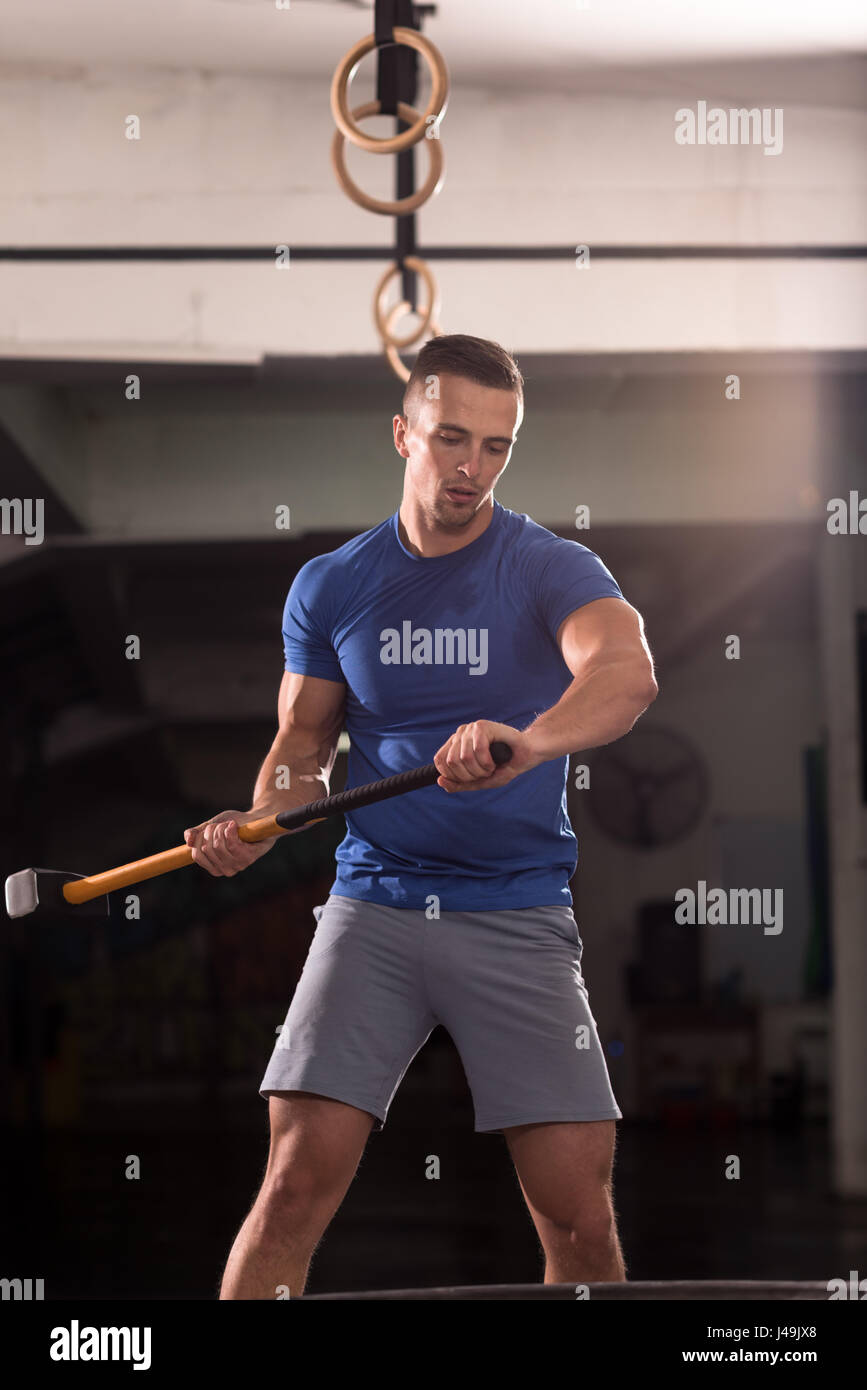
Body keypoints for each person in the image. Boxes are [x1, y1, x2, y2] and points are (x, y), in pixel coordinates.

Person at [184, 334, 658, 1299]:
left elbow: (625, 675)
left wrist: (527, 741)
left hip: (517, 911)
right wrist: (262, 820)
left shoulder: (546, 567)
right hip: (375, 910)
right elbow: (303, 747)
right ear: (402, 434)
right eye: (451, 438)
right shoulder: (332, 585)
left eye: (496, 447)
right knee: (289, 1188)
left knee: (577, 1209)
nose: (471, 467)